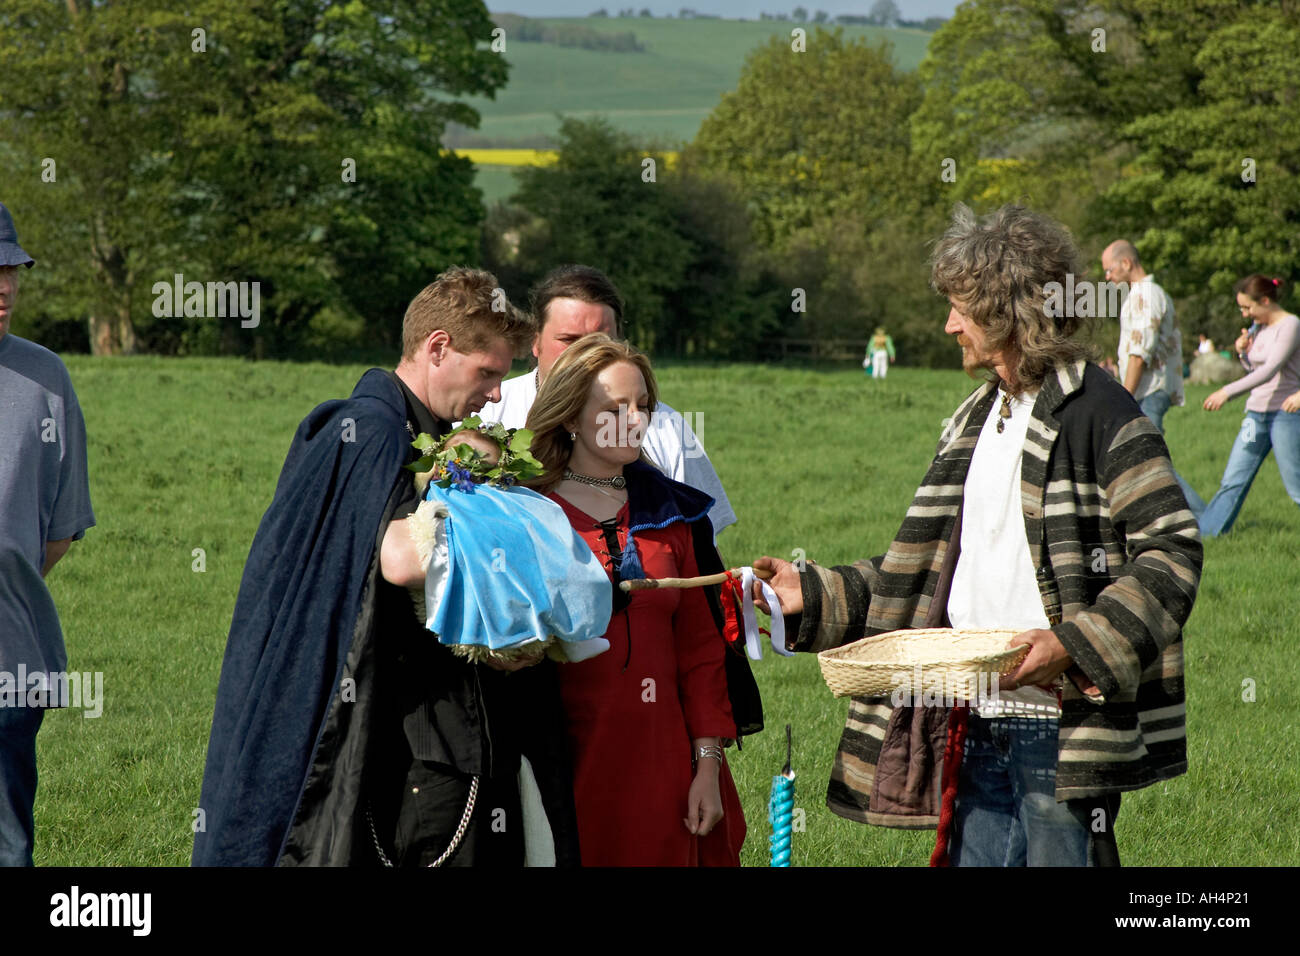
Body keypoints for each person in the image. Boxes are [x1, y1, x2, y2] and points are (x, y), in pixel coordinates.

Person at [755, 205, 1201, 867]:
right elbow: (930, 571)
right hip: (972, 715)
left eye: (961, 307)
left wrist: (1072, 645)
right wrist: (812, 593)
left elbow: (1171, 550)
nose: (949, 325)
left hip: (1059, 723)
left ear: (1008, 308)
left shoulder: (1101, 411)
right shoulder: (974, 414)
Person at [194, 267, 582, 867]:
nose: (497, 395)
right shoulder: (373, 433)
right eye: (488, 373)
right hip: (398, 731)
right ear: (438, 348)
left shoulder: (397, 430)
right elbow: (396, 567)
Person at [523, 333, 750, 866]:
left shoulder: (674, 513)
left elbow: (700, 653)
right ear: (571, 416)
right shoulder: (526, 512)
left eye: (642, 406)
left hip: (660, 758)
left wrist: (708, 765)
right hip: (557, 756)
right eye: (614, 408)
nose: (635, 421)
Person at [478, 265, 737, 537]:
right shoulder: (489, 412)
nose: (586, 354)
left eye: (600, 340)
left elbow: (701, 549)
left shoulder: (667, 428)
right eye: (569, 340)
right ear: (536, 341)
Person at [0, 202, 96, 868]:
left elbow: (59, 530)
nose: (5, 286)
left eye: (12, 270)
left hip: (11, 661)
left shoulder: (47, 380)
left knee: (8, 843)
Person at [1103, 239, 1203, 512]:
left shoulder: (1146, 295)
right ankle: (1202, 519)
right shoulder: (1141, 294)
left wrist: (1125, 397)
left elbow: (1139, 352)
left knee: (1150, 461)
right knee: (1151, 460)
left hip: (1148, 391)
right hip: (1148, 390)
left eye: (1109, 271)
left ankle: (1201, 520)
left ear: (1126, 262)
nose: (1108, 278)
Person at [1198, 275, 1300, 537]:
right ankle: (1206, 537)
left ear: (1265, 301)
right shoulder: (1259, 327)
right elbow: (1255, 368)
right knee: (1233, 480)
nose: (1245, 314)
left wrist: (1227, 391)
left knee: (1296, 488)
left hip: (1285, 414)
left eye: (1248, 307)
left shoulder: (1290, 325)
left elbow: (1270, 370)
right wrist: (1242, 352)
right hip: (1256, 414)